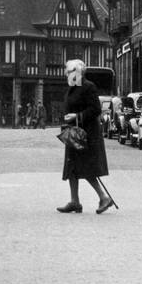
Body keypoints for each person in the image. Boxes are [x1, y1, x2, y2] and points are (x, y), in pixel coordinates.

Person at [58, 60, 116, 214]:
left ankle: (104, 197)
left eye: (70, 72)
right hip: (74, 132)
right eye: (68, 72)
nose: (68, 75)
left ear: (79, 72)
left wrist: (77, 116)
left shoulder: (88, 86)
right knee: (72, 166)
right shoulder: (73, 88)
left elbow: (96, 109)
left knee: (86, 167)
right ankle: (75, 201)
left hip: (87, 133)